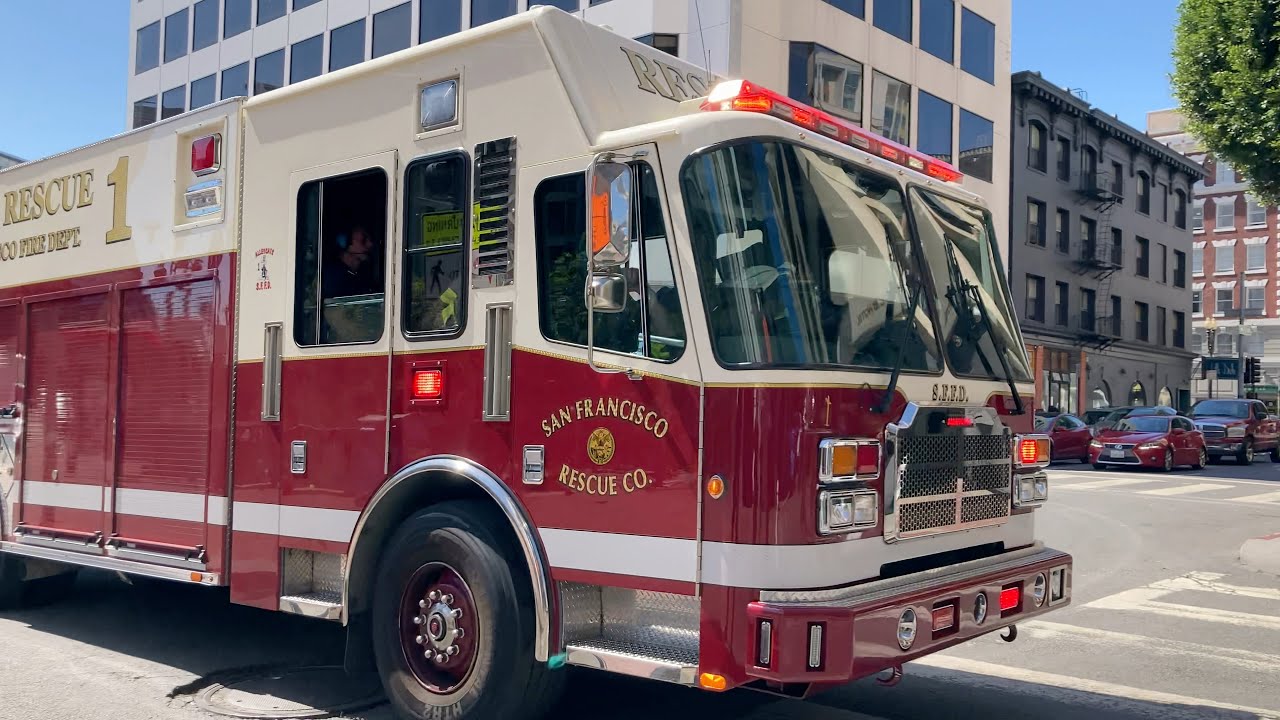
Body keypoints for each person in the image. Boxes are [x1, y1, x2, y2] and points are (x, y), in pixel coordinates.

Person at [323, 225, 381, 297]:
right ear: (346, 244)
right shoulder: (332, 277)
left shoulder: (363, 275)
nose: (370, 244)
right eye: (363, 240)